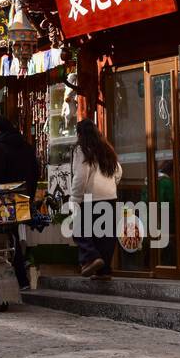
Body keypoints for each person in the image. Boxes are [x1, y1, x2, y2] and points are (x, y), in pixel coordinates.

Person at [0, 115, 40, 290]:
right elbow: (35, 173)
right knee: (16, 234)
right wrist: (29, 195)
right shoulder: (27, 147)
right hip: (24, 198)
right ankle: (23, 276)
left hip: (4, 200)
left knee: (9, 236)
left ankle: (19, 278)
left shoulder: (0, 149)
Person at [70, 118, 122, 279]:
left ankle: (91, 258)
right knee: (105, 236)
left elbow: (80, 176)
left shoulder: (82, 149)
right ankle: (104, 271)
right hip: (110, 197)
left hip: (91, 198)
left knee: (79, 230)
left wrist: (75, 198)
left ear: (80, 134)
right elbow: (119, 171)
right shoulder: (106, 148)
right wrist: (111, 185)